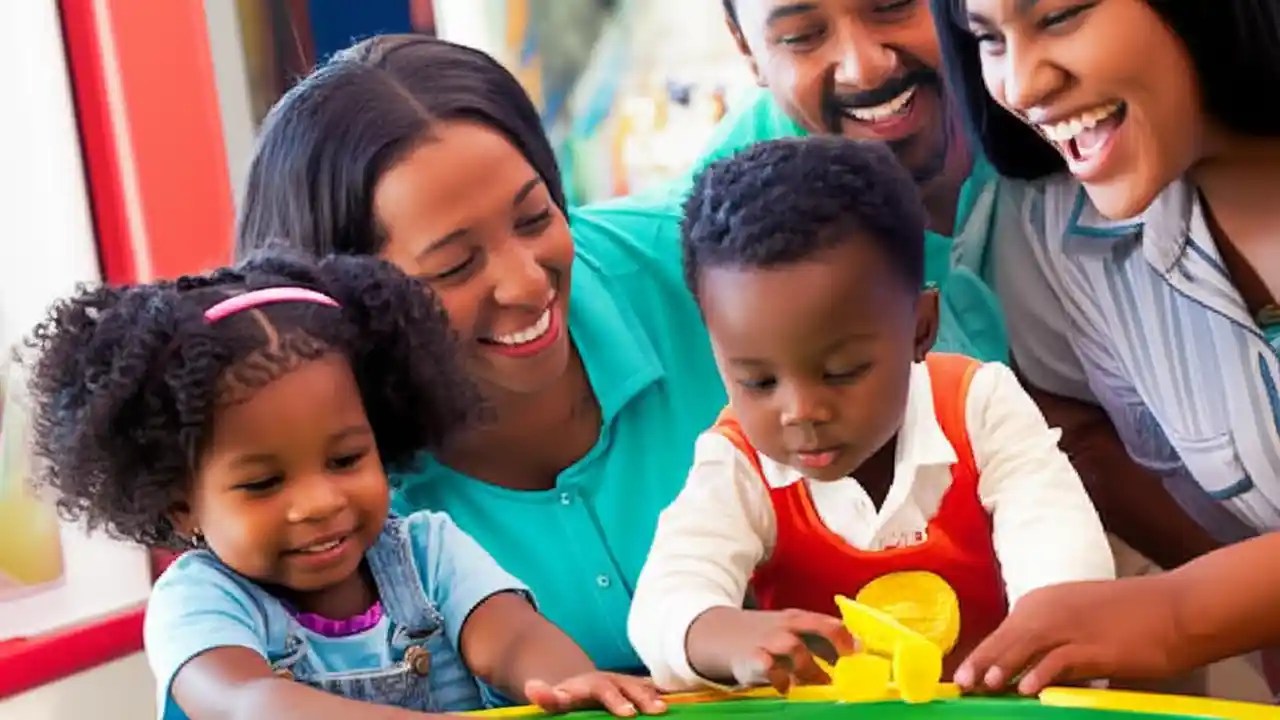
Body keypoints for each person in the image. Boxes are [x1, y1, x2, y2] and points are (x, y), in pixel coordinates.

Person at [235, 35, 726, 674]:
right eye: (454, 266)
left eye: (534, 218)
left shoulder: (709, 266)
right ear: (350, 307)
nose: (527, 283)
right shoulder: (325, 485)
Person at [676, 0, 1218, 572]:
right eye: (803, 36)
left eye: (892, 6)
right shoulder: (731, 235)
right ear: (746, 49)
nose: (864, 68)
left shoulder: (1052, 86)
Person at [22, 253, 665, 720]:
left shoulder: (426, 552)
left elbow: (512, 638)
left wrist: (568, 683)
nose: (320, 502)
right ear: (180, 500)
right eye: (265, 482)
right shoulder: (199, 602)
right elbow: (249, 702)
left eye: (345, 459)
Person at [628, 137, 1114, 692]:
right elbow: (666, 598)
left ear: (920, 327)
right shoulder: (737, 462)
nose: (801, 411)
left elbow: (1056, 544)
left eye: (842, 371)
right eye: (758, 381)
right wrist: (718, 633)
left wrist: (1049, 618)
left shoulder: (980, 407)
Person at [930, 0, 1280, 693]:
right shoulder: (1048, 225)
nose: (1021, 86)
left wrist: (1191, 612)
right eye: (989, 39)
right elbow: (1071, 418)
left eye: (1059, 17)